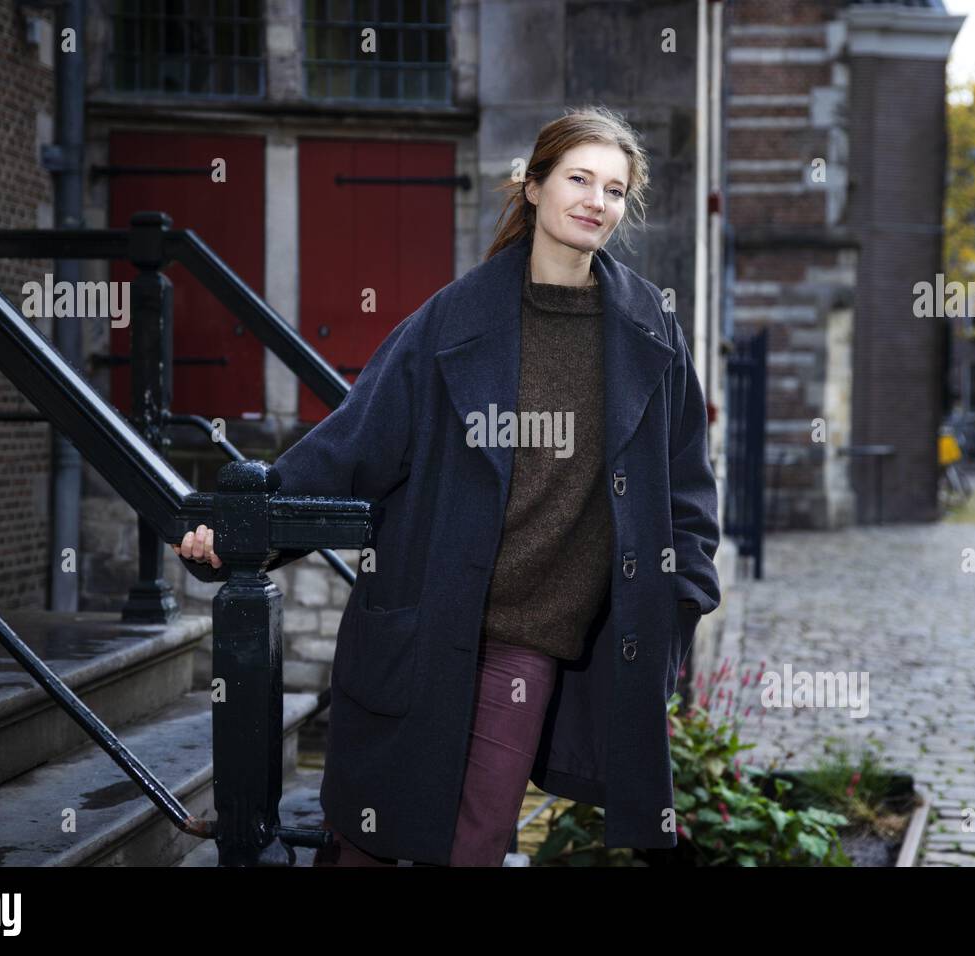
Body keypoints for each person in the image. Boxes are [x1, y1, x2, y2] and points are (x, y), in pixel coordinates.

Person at [174, 105, 721, 866]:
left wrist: (682, 597)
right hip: (425, 624)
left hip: (532, 641)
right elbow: (353, 447)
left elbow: (688, 486)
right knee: (367, 836)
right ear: (532, 186)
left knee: (475, 844)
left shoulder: (651, 333)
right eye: (579, 179)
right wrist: (240, 530)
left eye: (615, 189)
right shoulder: (454, 320)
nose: (597, 200)